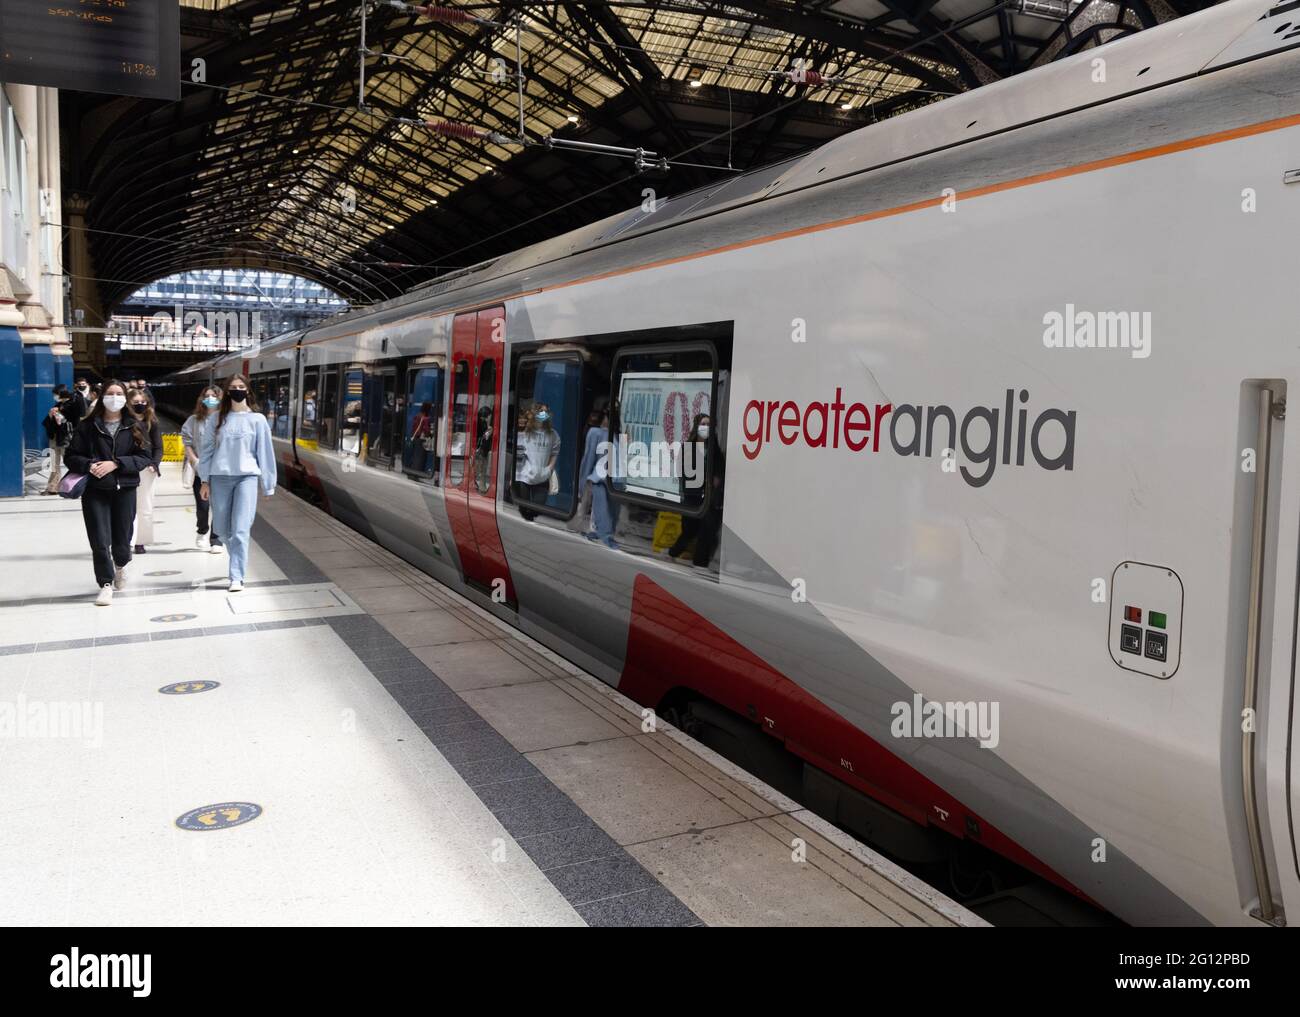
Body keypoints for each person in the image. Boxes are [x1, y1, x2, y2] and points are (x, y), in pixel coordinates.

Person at [64, 380, 154, 606]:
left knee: (122, 539)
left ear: (125, 398)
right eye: (110, 393)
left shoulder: (134, 425)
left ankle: (121, 565)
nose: (115, 397)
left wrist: (117, 464)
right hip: (95, 490)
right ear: (102, 396)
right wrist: (88, 465)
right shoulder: (88, 426)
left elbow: (144, 457)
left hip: (125, 489)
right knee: (100, 540)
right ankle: (105, 584)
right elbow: (71, 456)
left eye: (119, 393)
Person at [198, 374, 276, 592]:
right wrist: (204, 480)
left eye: (241, 387)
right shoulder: (216, 419)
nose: (237, 390)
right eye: (233, 387)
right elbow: (206, 453)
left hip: (247, 478)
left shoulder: (258, 420)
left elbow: (265, 453)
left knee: (241, 530)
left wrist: (268, 484)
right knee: (222, 530)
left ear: (248, 391)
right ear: (227, 391)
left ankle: (236, 576)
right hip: (220, 478)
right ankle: (238, 562)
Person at [667, 413, 724, 567]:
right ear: (697, 426)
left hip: (708, 497)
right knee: (689, 530)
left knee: (706, 531)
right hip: (692, 495)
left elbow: (719, 468)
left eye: (709, 425)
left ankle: (700, 563)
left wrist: (715, 479)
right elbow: (682, 471)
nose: (706, 427)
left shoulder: (713, 448)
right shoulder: (688, 447)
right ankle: (673, 552)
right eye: (704, 424)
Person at [181, 386, 223, 554]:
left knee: (220, 507)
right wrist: (194, 461)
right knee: (203, 506)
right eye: (207, 396)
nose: (210, 398)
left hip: (221, 472)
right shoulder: (193, 420)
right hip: (201, 471)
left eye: (214, 396)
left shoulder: (225, 419)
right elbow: (187, 443)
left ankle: (216, 539)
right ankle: (202, 530)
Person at [577, 399, 619, 547]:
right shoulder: (596, 433)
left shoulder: (618, 436)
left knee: (609, 510)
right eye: (608, 414)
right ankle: (596, 530)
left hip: (614, 481)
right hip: (599, 478)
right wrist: (582, 482)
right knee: (595, 505)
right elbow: (588, 459)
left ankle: (601, 532)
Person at [128, 388, 163, 555]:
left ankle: (140, 541)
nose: (140, 405)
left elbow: (158, 447)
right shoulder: (124, 421)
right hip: (126, 468)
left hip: (147, 469)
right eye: (136, 403)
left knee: (145, 507)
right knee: (126, 507)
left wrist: (154, 464)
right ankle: (127, 539)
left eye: (143, 402)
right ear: (129, 403)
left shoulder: (152, 421)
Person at [515, 403, 560, 507]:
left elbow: (554, 453)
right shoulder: (525, 433)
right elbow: (518, 456)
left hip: (543, 477)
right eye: (541, 411)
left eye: (546, 412)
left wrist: (549, 469)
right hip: (525, 477)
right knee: (524, 510)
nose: (544, 414)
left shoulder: (553, 434)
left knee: (538, 508)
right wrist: (514, 477)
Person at [41, 387, 75, 495]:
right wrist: (51, 416)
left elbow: (73, 420)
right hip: (54, 438)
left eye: (56, 394)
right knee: (54, 463)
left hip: (66, 438)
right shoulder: (56, 406)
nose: (55, 397)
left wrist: (60, 415)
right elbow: (47, 423)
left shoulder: (72, 405)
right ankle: (53, 487)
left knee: (70, 462)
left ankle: (74, 484)